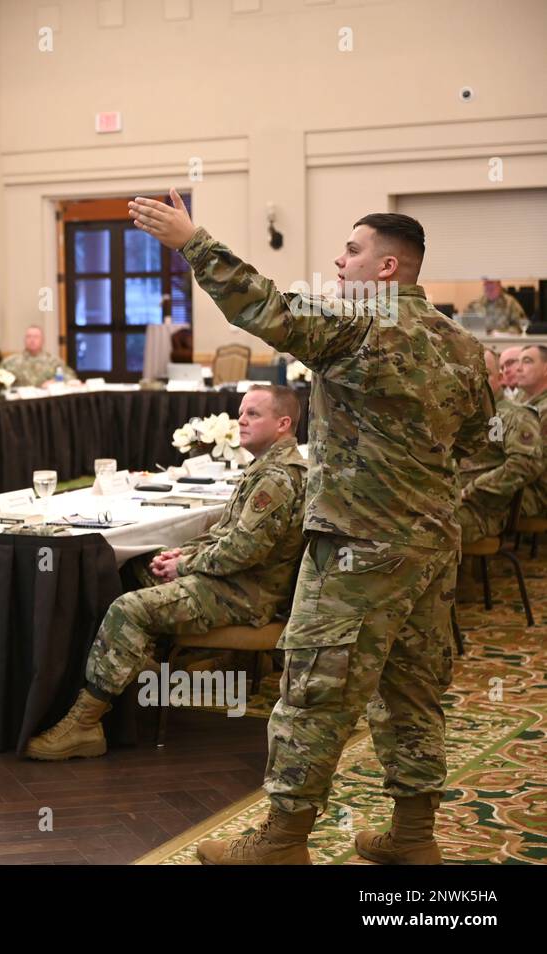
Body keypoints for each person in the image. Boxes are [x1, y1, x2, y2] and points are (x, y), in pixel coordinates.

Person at [129, 190, 490, 866]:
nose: (338, 261)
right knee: (413, 687)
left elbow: (263, 307)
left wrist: (191, 240)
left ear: (388, 268)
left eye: (351, 251)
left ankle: (282, 841)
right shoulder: (465, 348)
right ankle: (414, 836)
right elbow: (474, 439)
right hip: (434, 548)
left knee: (314, 692)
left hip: (358, 550)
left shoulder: (358, 329)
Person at [25, 385, 308, 761]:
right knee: (136, 566)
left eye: (253, 414)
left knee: (129, 608)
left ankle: (85, 725)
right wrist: (182, 553)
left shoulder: (277, 477)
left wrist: (183, 565)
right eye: (241, 412)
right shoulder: (269, 466)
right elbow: (227, 534)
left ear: (283, 423)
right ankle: (126, 677)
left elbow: (243, 550)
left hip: (245, 594)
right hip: (232, 580)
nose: (241, 420)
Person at [455, 349, 540, 546]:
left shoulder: (514, 416)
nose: (475, 383)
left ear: (500, 378)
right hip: (451, 500)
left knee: (420, 530)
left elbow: (525, 464)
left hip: (481, 510)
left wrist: (471, 490)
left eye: (483, 376)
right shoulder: (462, 415)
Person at [515, 345, 547, 520]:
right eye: (518, 361)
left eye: (527, 361)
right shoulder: (520, 400)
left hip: (535, 490)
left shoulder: (544, 411)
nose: (518, 368)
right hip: (518, 482)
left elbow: (530, 465)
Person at [0, 325, 77, 386]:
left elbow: (71, 377)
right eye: (29, 337)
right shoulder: (11, 361)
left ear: (43, 340)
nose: (32, 340)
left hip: (44, 403)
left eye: (36, 337)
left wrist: (55, 381)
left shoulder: (53, 361)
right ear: (24, 340)